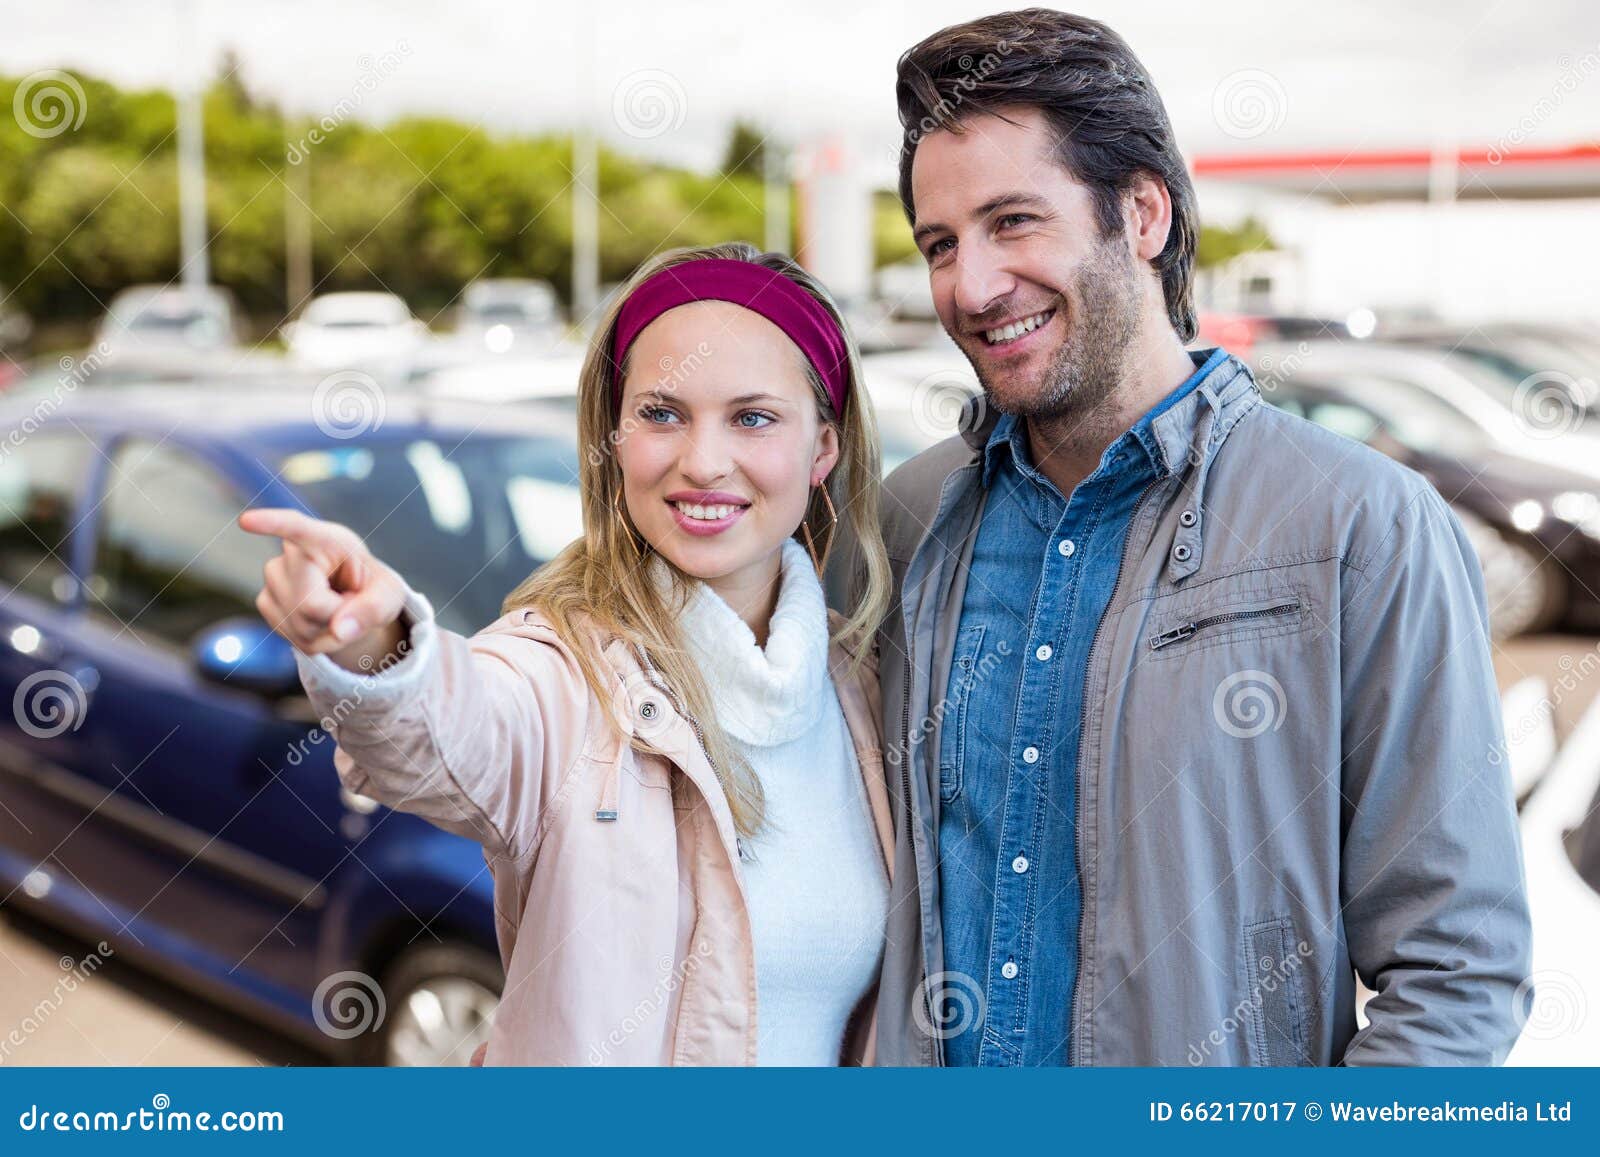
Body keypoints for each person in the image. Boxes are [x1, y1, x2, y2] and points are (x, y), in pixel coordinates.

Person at [860, 9, 1532, 1065]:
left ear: (1140, 213)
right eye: (941, 243)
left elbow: (1454, 967)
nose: (971, 286)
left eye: (1014, 222)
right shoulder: (911, 518)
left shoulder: (1359, 524)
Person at [241, 242, 896, 1065]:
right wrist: (374, 640)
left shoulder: (860, 690)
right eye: (661, 413)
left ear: (824, 449)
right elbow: (450, 729)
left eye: (753, 417)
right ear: (615, 437)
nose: (702, 461)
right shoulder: (559, 673)